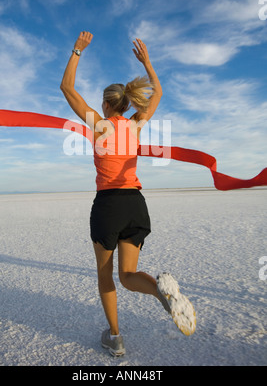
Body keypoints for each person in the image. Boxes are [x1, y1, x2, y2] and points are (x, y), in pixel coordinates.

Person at [60, 31, 195, 356]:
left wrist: (77, 50)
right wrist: (147, 63)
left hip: (108, 205)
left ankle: (116, 337)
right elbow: (158, 92)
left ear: (106, 104)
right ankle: (164, 296)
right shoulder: (134, 125)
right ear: (125, 103)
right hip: (136, 204)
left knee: (106, 276)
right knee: (129, 274)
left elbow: (67, 89)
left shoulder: (99, 124)